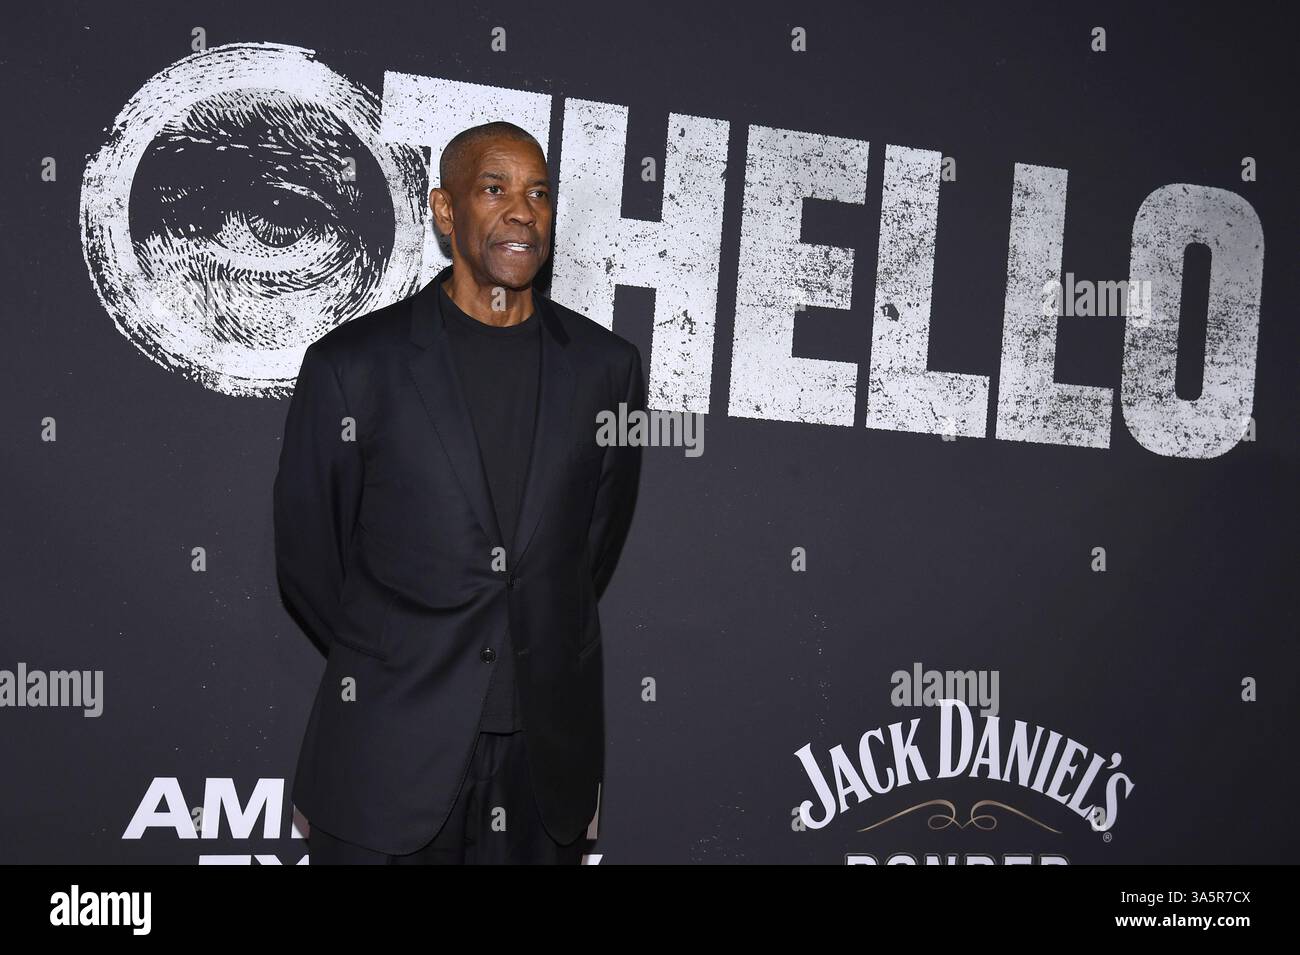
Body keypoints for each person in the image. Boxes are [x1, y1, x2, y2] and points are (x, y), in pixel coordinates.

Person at [272, 121, 645, 864]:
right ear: (445, 211)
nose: (522, 212)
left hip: (544, 770)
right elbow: (310, 562)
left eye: (538, 193)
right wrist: (398, 653)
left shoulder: (608, 370)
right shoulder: (354, 365)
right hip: (387, 755)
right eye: (494, 189)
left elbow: (590, 551)